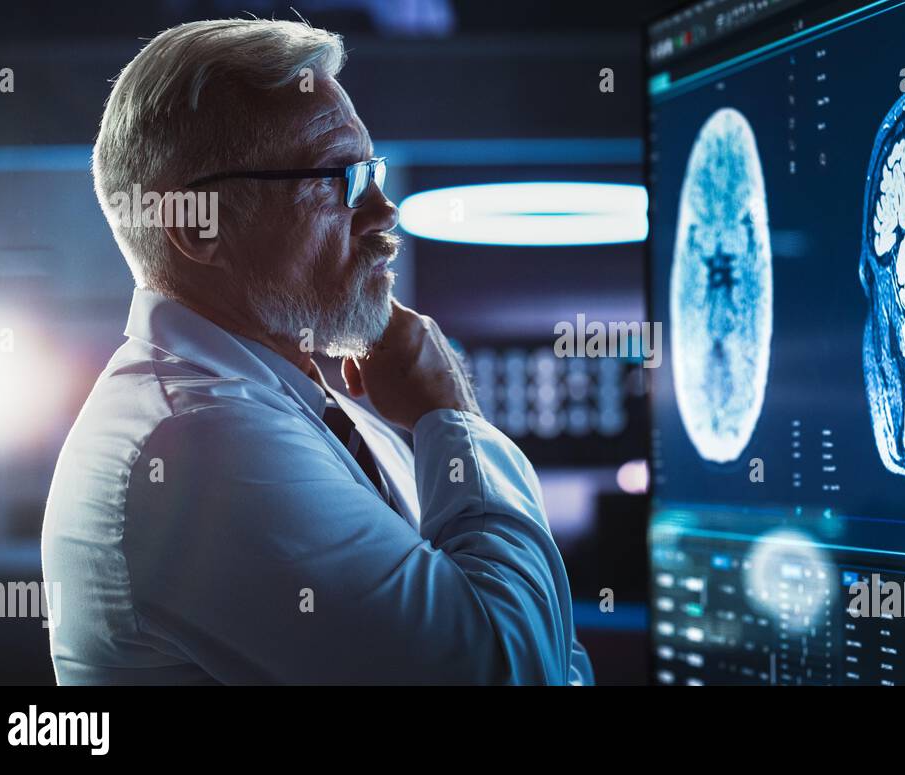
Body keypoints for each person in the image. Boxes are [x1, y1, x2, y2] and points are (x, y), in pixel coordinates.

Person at [41, 18, 591, 685]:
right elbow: (510, 670)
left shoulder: (304, 401)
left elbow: (555, 652)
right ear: (195, 224)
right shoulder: (195, 441)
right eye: (339, 178)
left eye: (373, 171)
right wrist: (454, 419)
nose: (386, 212)